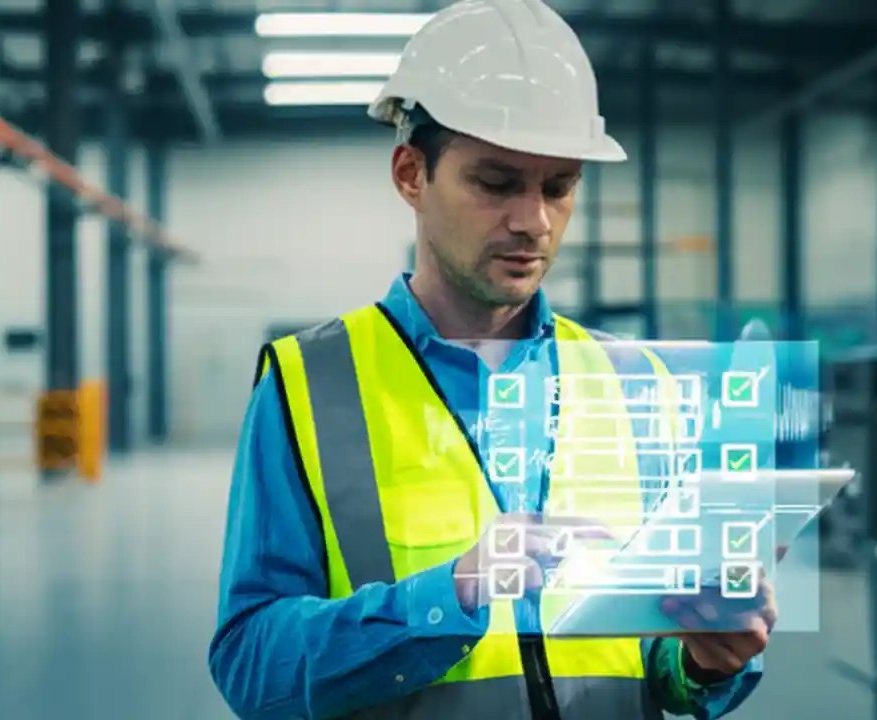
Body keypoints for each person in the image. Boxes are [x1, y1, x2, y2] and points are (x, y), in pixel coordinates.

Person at [208, 1, 776, 718]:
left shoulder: (638, 384)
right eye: (497, 182)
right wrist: (449, 596)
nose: (533, 220)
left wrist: (702, 661)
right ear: (411, 175)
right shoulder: (310, 385)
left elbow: (656, 661)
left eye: (558, 187)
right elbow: (252, 665)